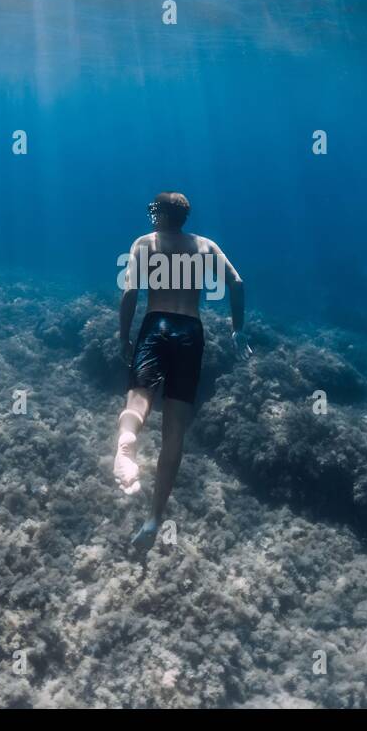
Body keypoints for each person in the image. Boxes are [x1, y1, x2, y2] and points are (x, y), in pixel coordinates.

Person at [113, 192, 252, 552]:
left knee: (139, 400)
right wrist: (238, 328)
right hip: (190, 332)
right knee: (175, 429)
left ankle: (126, 443)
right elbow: (237, 283)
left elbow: (130, 293)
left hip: (155, 323)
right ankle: (154, 519)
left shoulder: (146, 243)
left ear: (159, 215)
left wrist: (124, 337)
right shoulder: (205, 246)